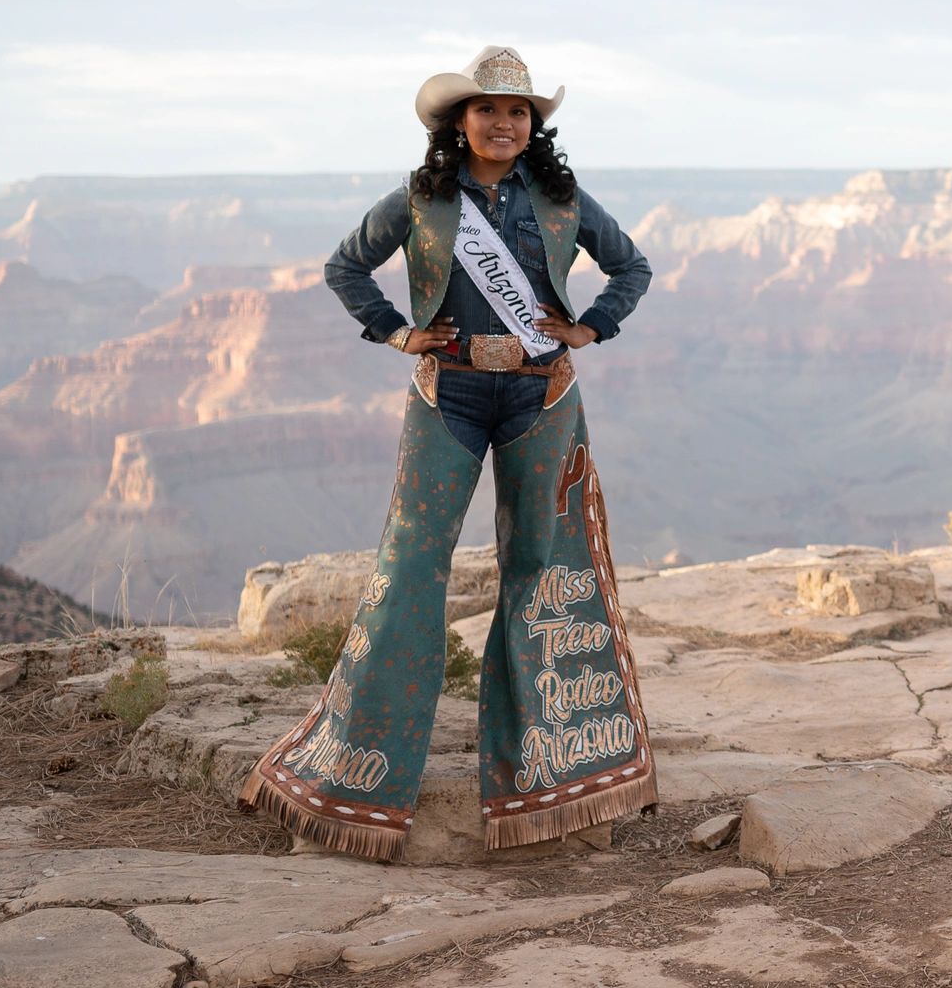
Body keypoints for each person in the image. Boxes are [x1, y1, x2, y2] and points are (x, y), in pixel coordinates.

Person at [238, 47, 659, 860]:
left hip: (542, 394)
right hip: (451, 394)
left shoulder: (562, 197)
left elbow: (631, 265)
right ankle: (355, 777)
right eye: (488, 110)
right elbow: (345, 265)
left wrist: (592, 325)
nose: (504, 123)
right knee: (410, 565)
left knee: (543, 565)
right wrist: (396, 330)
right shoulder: (424, 200)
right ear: (457, 122)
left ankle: (558, 776)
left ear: (534, 125)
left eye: (518, 112)